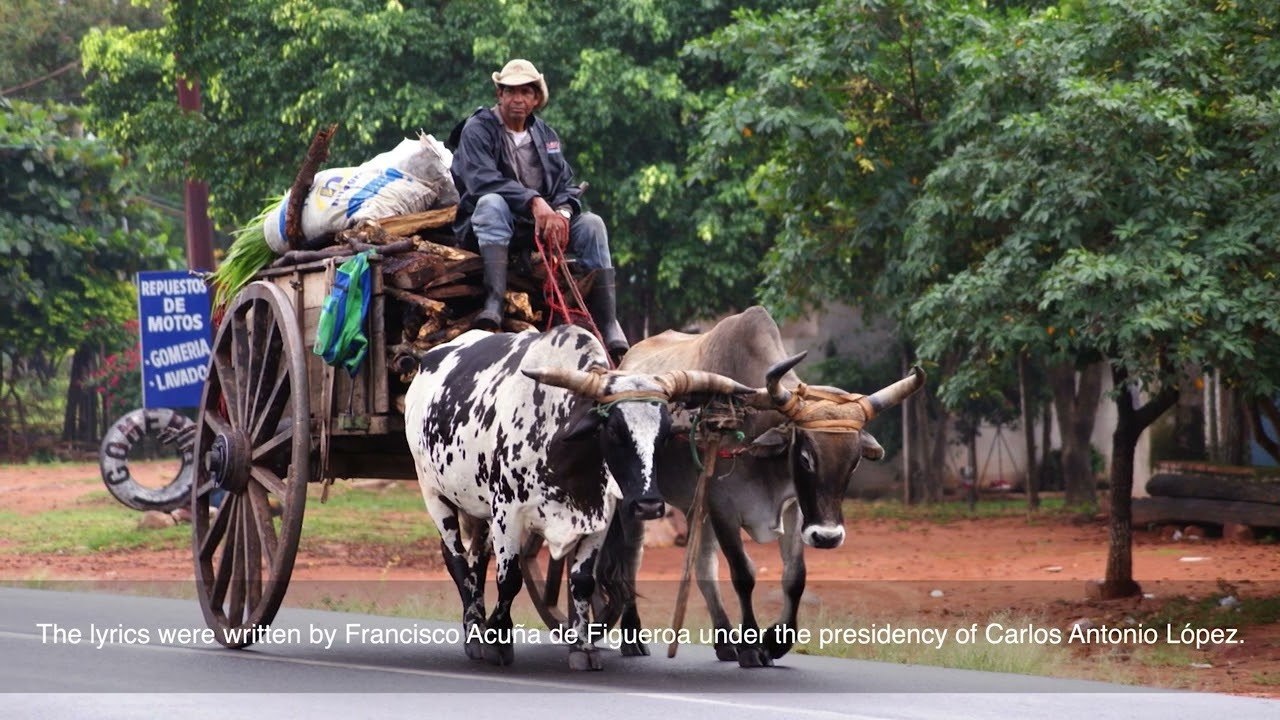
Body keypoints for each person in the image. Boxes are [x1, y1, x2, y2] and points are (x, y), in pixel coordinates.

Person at [449, 58, 629, 358]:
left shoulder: (546, 136)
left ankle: (609, 323)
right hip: (491, 226)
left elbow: (565, 186)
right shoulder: (477, 128)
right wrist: (534, 202)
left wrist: (562, 214)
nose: (517, 99)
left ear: (536, 99)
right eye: (510, 91)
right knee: (491, 203)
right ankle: (494, 303)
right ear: (500, 95)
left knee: (593, 224)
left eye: (526, 92)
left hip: (537, 228)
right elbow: (481, 181)